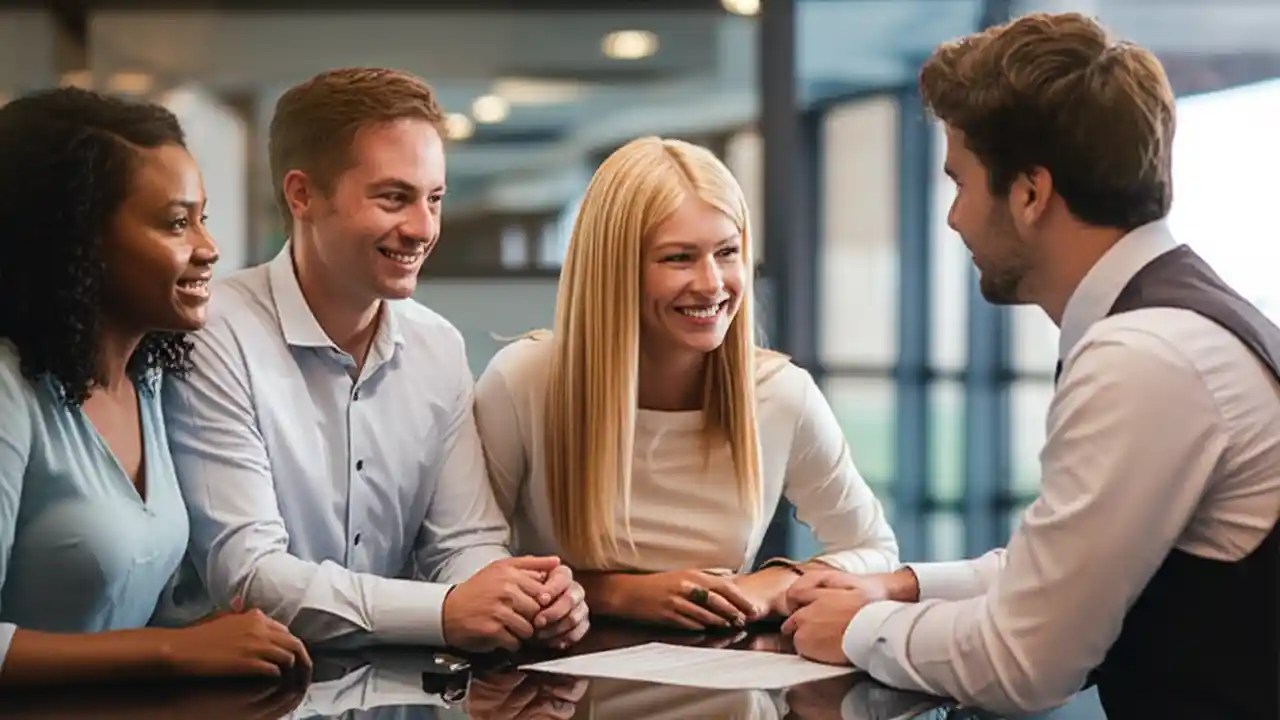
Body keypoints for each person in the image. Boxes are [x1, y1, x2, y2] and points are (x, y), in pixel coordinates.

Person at [782, 12, 1280, 719]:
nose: (953, 218)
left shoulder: (1143, 357)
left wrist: (860, 630)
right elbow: (1067, 571)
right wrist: (898, 588)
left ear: (1029, 194)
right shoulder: (1174, 328)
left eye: (960, 181)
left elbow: (1026, 662)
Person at [162, 68, 588, 654]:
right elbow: (248, 577)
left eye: (434, 198)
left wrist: (520, 596)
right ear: (302, 195)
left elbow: (465, 541)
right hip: (241, 695)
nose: (422, 228)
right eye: (394, 197)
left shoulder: (437, 346)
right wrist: (443, 611)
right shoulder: (214, 335)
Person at [474, 136, 898, 631]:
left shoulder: (782, 393)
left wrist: (768, 585)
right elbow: (469, 558)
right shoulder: (524, 380)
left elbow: (872, 549)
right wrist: (617, 593)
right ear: (615, 270)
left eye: (727, 252)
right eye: (678, 258)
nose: (712, 283)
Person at [0, 88, 310, 687]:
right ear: (77, 240)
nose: (208, 248)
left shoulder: (148, 381)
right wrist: (171, 651)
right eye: (176, 223)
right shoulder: (11, 391)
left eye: (202, 218)